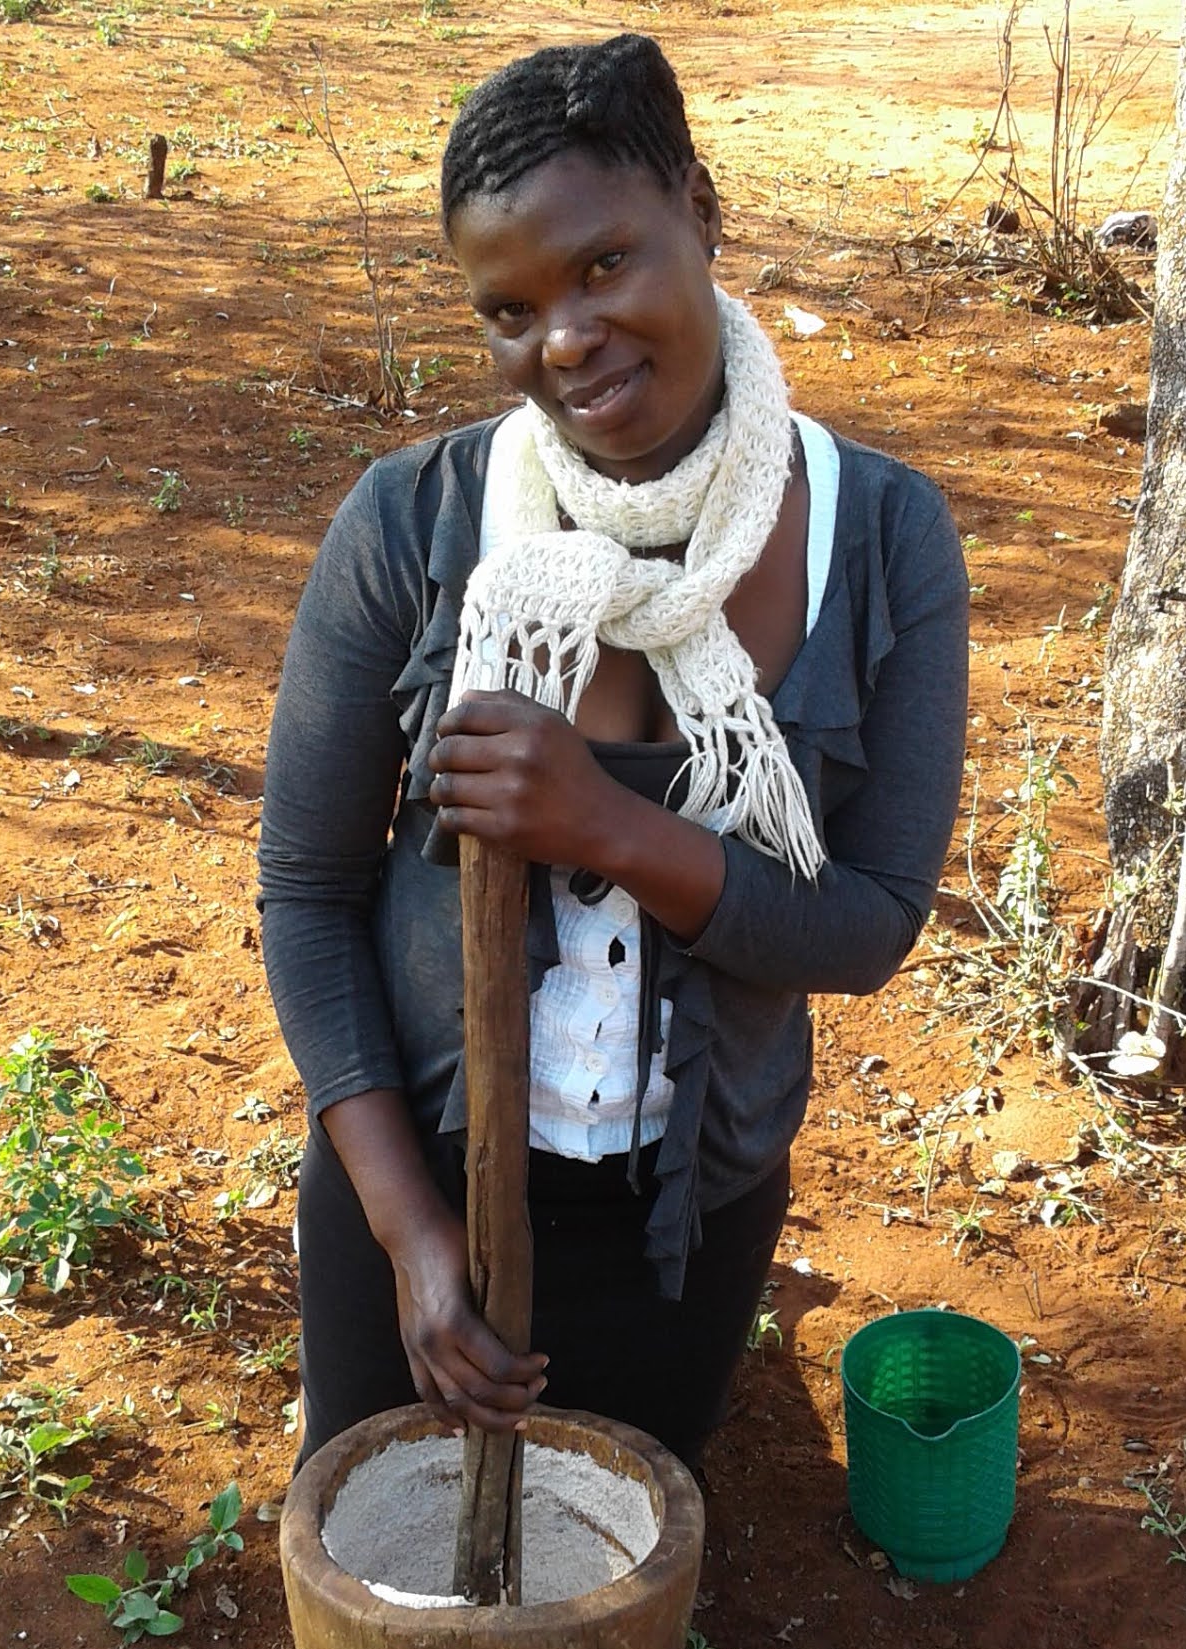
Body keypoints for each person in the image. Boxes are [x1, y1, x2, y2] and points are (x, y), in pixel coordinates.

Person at [258, 33, 969, 1472]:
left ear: (702, 214)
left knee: (616, 1593)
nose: (564, 340)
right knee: (394, 1607)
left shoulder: (881, 539)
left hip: (687, 1219)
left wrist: (608, 828)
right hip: (416, 1186)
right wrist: (411, 1240)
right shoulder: (417, 525)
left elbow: (871, 922)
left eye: (603, 266)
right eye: (508, 310)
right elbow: (308, 889)